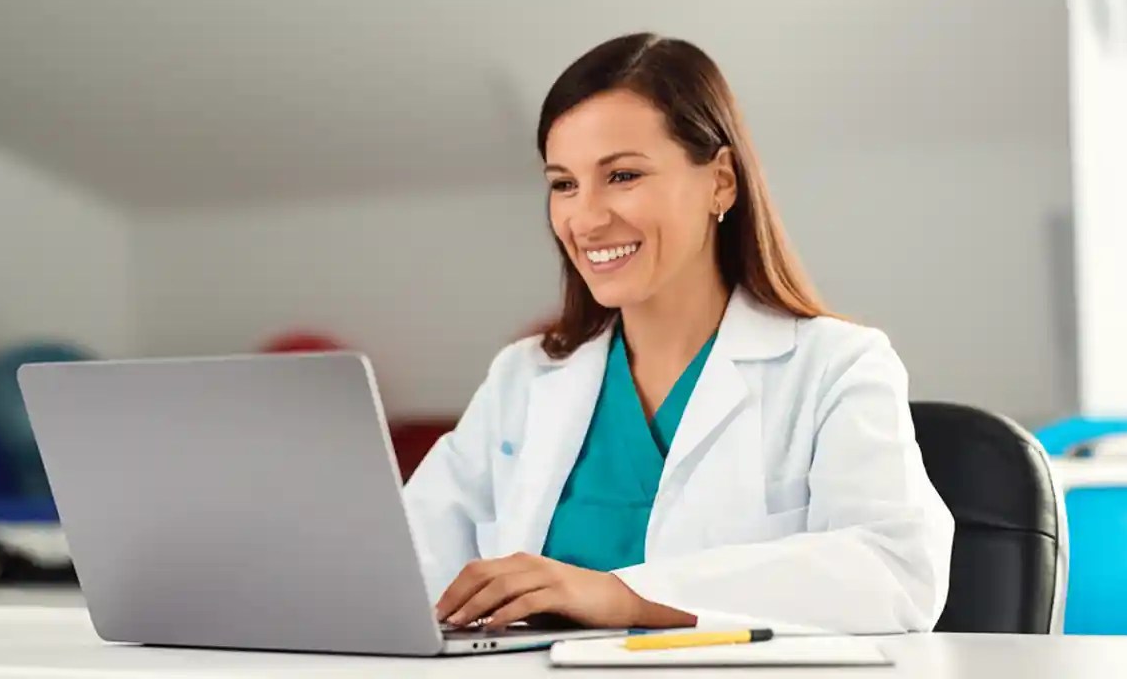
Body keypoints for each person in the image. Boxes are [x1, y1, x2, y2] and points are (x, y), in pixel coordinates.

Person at [403, 33, 954, 634]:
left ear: (720, 181)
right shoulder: (523, 378)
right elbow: (402, 570)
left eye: (622, 176)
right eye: (563, 184)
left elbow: (895, 574)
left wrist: (621, 595)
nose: (585, 218)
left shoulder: (837, 367)